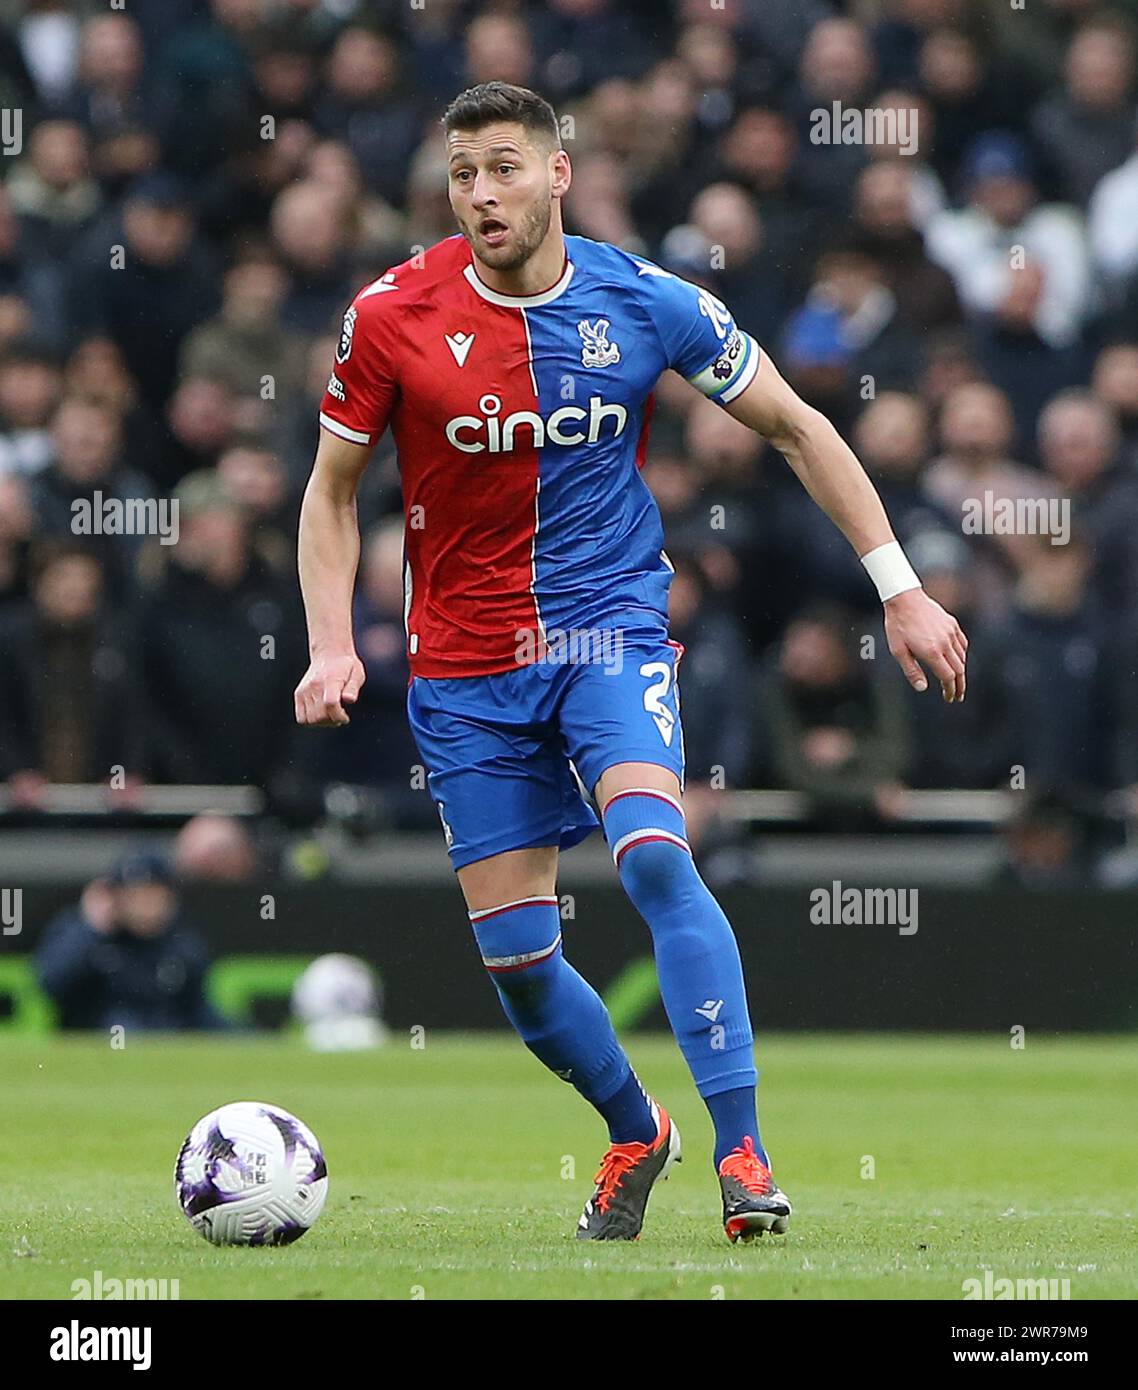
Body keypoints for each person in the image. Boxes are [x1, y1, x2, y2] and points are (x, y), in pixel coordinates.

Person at [294, 82, 968, 1245]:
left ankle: (743, 1150)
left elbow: (800, 426)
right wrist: (325, 643)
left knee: (656, 856)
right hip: (461, 665)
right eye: (462, 175)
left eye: (504, 167)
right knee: (517, 962)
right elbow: (331, 493)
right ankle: (634, 1126)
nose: (481, 194)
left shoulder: (644, 299)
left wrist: (899, 587)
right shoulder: (390, 315)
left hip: (606, 632)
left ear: (558, 175)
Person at [35, 850, 227, 1031]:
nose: (146, 905)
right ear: (115, 897)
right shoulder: (84, 935)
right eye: (135, 895)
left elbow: (198, 1008)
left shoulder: (181, 942)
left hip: (165, 1044)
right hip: (103, 1044)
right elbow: (50, 984)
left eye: (154, 894)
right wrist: (92, 929)